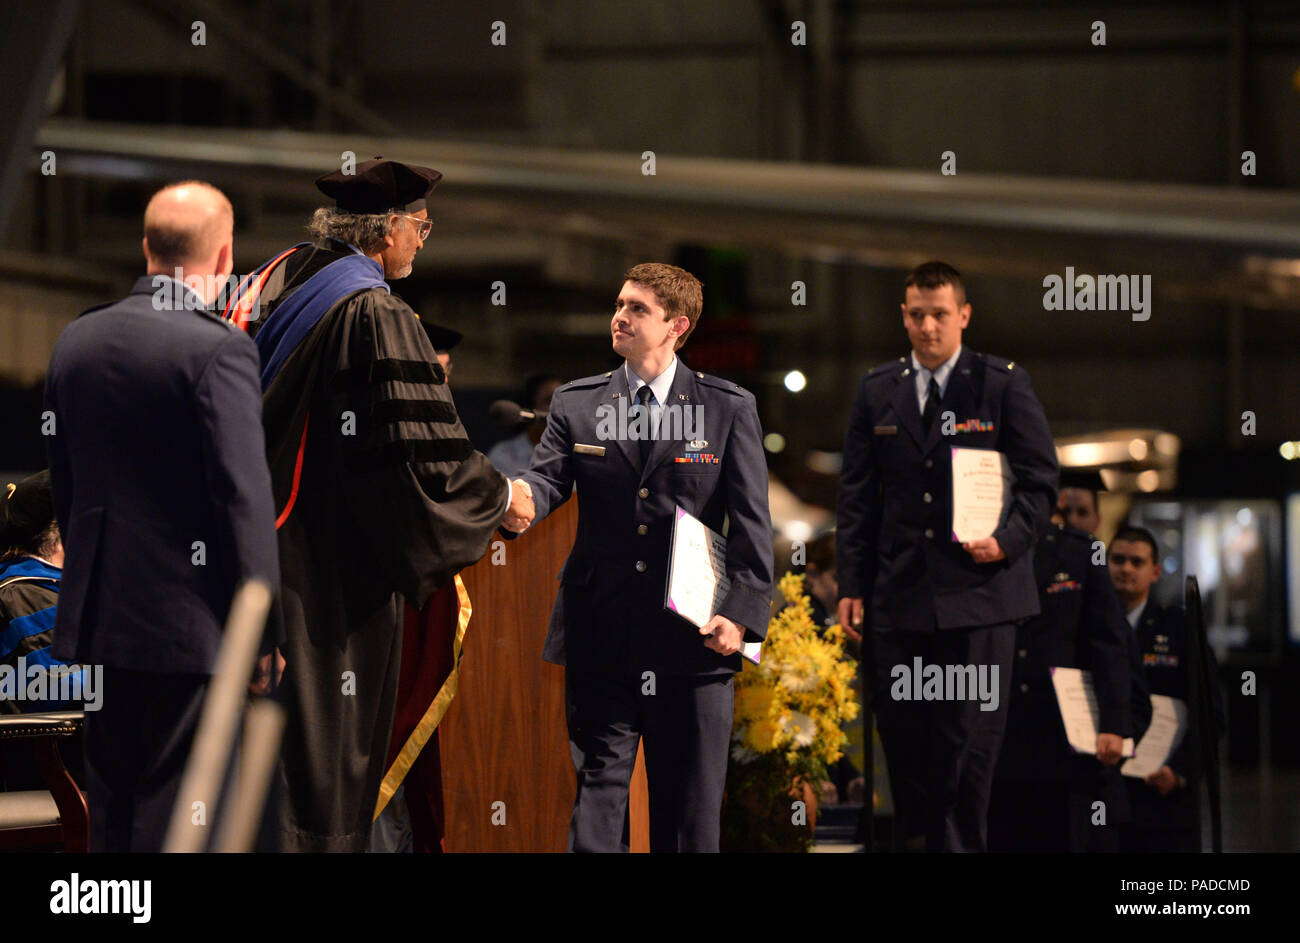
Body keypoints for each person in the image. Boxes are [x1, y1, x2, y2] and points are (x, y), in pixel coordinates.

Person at [232, 157, 531, 852]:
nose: (423, 240)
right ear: (387, 227)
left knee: (266, 765)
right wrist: (497, 498)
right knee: (321, 767)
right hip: (327, 572)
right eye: (420, 225)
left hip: (255, 551)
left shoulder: (276, 277)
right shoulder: (372, 310)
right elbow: (413, 452)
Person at [504, 262, 773, 853]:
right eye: (619, 305)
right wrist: (510, 497)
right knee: (599, 801)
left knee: (690, 815)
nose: (619, 317)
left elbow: (753, 524)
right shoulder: (577, 403)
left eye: (637, 309)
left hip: (693, 639)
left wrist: (742, 614)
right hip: (602, 634)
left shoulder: (727, 407)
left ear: (676, 325)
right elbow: (544, 486)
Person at [43, 181, 280, 852]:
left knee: (112, 810)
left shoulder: (75, 340)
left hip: (98, 623)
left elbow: (65, 488)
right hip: (191, 629)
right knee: (178, 816)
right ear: (226, 254)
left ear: (145, 247)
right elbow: (244, 499)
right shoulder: (218, 350)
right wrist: (262, 633)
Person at [835, 260, 1058, 852]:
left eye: (940, 314)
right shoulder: (877, 387)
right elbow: (857, 497)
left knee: (964, 762)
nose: (928, 326)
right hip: (900, 605)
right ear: (903, 317)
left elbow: (1040, 482)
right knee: (907, 760)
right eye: (917, 315)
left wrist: (1007, 540)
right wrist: (852, 584)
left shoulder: (1002, 383)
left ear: (964, 315)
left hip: (980, 603)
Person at [988, 486, 1148, 853]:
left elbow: (1107, 642)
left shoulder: (1080, 551)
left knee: (1063, 836)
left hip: (1063, 739)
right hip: (1000, 733)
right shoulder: (983, 551)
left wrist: (1113, 724)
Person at [1108, 526, 1225, 853]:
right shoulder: (1086, 627)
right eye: (1118, 559)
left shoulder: (1180, 628)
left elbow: (1211, 715)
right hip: (1104, 795)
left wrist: (1180, 772)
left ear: (1155, 571)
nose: (1126, 568)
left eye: (1136, 561)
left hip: (1163, 802)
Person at [487, 374, 563, 477]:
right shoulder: (503, 455)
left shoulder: (573, 453)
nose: (557, 408)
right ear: (529, 407)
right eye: (548, 400)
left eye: (562, 401)